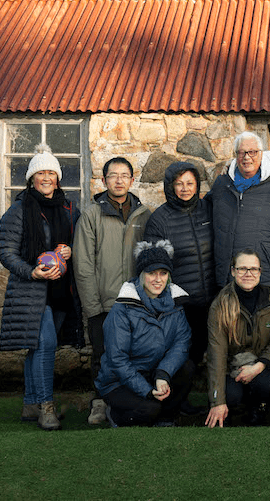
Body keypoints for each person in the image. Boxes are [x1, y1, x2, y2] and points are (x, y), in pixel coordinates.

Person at [0, 143, 83, 431]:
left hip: (60, 289)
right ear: (31, 178)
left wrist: (69, 250)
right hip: (31, 289)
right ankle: (47, 408)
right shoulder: (19, 210)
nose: (46, 178)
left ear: (58, 178)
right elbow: (6, 253)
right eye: (40, 173)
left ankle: (30, 403)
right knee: (46, 344)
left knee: (37, 347)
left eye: (51, 172)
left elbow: (77, 243)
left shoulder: (69, 209)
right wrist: (31, 271)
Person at [73, 157, 152, 425]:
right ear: (104, 180)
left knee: (134, 354)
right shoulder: (92, 215)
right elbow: (83, 264)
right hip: (105, 302)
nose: (119, 180)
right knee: (103, 355)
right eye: (113, 175)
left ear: (132, 179)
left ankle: (128, 401)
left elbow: (153, 262)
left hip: (137, 303)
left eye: (124, 175)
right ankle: (99, 402)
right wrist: (93, 307)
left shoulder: (144, 215)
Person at [95, 241, 194, 427]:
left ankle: (165, 419)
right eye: (151, 273)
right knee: (149, 409)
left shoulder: (175, 304)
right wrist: (147, 391)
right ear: (141, 275)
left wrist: (163, 374)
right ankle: (115, 415)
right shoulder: (123, 309)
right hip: (119, 382)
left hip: (153, 373)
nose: (158, 279)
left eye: (163, 273)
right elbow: (117, 360)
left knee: (187, 368)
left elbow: (182, 342)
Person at [143, 162, 216, 369]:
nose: (185, 188)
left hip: (212, 296)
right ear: (170, 186)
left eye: (190, 183)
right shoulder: (159, 219)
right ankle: (179, 390)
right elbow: (153, 262)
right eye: (179, 183)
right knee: (183, 352)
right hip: (180, 303)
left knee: (206, 346)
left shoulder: (208, 210)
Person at [205, 249, 270, 428]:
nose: (248, 274)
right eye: (242, 269)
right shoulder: (220, 305)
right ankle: (232, 407)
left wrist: (257, 368)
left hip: (260, 367)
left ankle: (258, 408)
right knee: (231, 396)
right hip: (230, 369)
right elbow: (216, 354)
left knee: (267, 385)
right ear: (233, 271)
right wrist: (217, 401)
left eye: (253, 269)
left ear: (260, 272)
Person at [208, 131, 270, 289]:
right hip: (228, 277)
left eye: (253, 152)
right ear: (235, 155)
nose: (247, 157)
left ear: (262, 154)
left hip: (266, 276)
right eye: (241, 152)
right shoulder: (222, 184)